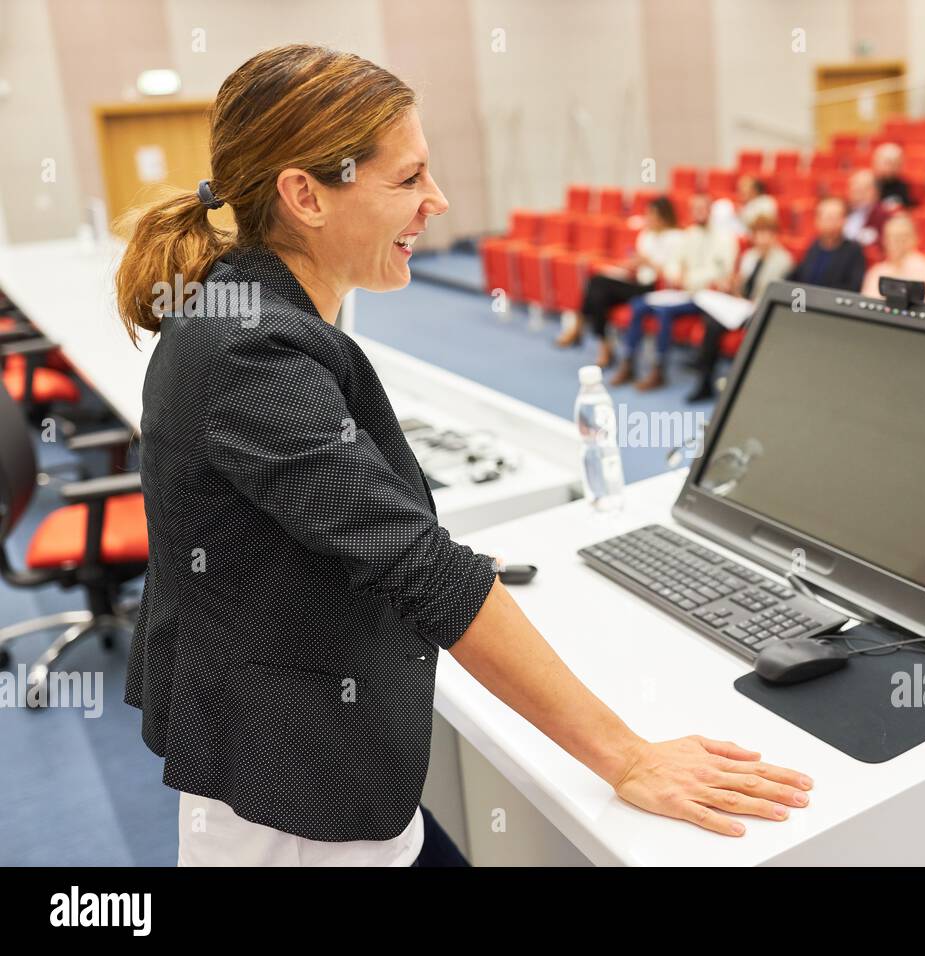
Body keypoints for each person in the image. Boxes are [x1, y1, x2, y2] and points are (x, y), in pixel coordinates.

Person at [114, 45, 814, 867]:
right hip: (292, 797)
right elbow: (423, 572)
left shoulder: (251, 309)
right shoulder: (250, 350)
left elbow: (316, 524)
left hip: (299, 744)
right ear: (303, 195)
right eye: (407, 180)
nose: (437, 202)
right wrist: (628, 757)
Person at [608, 193, 738, 391]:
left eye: (702, 209)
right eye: (695, 209)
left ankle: (659, 369)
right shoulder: (690, 234)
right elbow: (675, 263)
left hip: (707, 296)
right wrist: (677, 275)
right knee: (639, 306)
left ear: (710, 210)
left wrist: (690, 278)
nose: (698, 213)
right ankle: (628, 362)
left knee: (663, 312)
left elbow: (721, 271)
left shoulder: (725, 238)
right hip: (683, 291)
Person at [556, 196, 682, 367]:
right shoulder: (646, 234)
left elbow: (673, 273)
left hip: (654, 287)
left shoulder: (677, 238)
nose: (648, 218)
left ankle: (584, 330)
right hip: (636, 278)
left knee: (598, 284)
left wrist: (648, 263)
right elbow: (639, 263)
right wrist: (630, 265)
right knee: (598, 290)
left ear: (663, 216)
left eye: (651, 214)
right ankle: (602, 344)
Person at [686, 215, 793, 403]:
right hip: (741, 307)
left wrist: (751, 302)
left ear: (774, 236)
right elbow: (743, 286)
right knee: (711, 322)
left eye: (766, 234)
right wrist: (732, 286)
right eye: (757, 234)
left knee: (719, 323)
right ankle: (705, 379)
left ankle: (734, 384)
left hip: (761, 310)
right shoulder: (750, 256)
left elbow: (776, 293)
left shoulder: (783, 260)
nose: (761, 239)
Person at [787, 196, 867, 291]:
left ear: (844, 220)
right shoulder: (814, 246)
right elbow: (797, 276)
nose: (831, 222)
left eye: (835, 217)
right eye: (827, 217)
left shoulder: (853, 250)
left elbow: (853, 287)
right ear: (817, 220)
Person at [861, 214, 925, 300]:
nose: (897, 243)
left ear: (915, 239)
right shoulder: (876, 271)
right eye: (891, 237)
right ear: (884, 241)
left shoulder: (923, 266)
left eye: (902, 238)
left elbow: (923, 302)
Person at [842, 169, 891, 252]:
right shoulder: (843, 211)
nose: (859, 194)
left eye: (864, 189)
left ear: (876, 192)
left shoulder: (883, 215)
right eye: (855, 189)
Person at [872, 142, 914, 209]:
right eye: (887, 163)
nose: (891, 167)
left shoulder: (903, 187)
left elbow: (907, 208)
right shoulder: (868, 184)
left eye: (896, 163)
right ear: (876, 162)